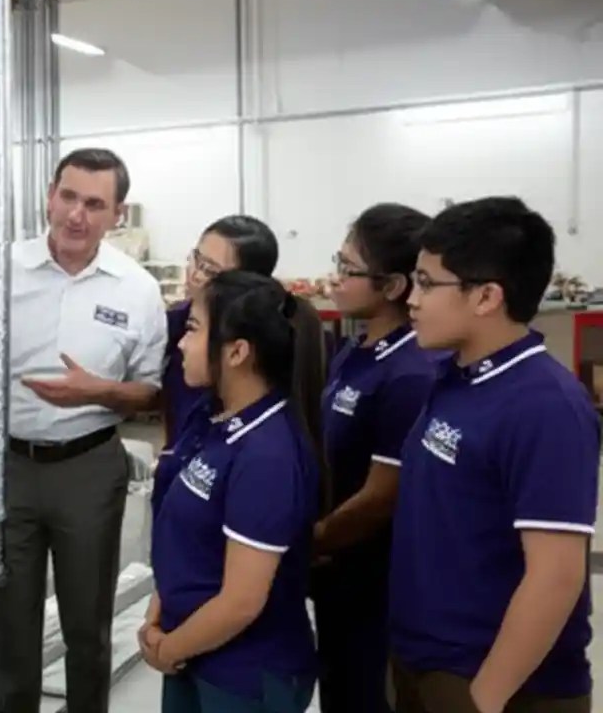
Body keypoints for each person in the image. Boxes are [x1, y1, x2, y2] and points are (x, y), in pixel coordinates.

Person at [0, 148, 167, 712]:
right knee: (11, 629)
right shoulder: (2, 272)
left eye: (95, 204)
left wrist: (95, 392)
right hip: (8, 466)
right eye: (68, 197)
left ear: (117, 215)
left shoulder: (136, 289)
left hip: (90, 469)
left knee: (87, 628)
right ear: (50, 195)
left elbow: (151, 392)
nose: (76, 215)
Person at [391, 196, 597, 713]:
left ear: (485, 296)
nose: (411, 299)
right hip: (429, 660)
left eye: (425, 282)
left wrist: (485, 699)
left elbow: (555, 576)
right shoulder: (454, 377)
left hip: (504, 686)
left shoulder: (546, 406)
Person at [139, 270, 326, 713]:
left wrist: (168, 649)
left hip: (243, 673)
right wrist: (159, 613)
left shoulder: (268, 454)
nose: (181, 344)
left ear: (238, 351)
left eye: (193, 330)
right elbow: (187, 538)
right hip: (193, 651)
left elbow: (242, 600)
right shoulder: (212, 417)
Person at [311, 203, 436, 713]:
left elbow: (384, 494)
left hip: (375, 577)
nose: (334, 278)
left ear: (393, 286)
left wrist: (314, 540)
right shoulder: (355, 350)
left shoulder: (408, 373)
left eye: (348, 270)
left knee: (367, 694)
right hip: (338, 568)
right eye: (337, 262)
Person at [163, 217, 278, 447]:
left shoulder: (263, 345)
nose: (195, 275)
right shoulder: (176, 321)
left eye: (210, 270)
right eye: (196, 260)